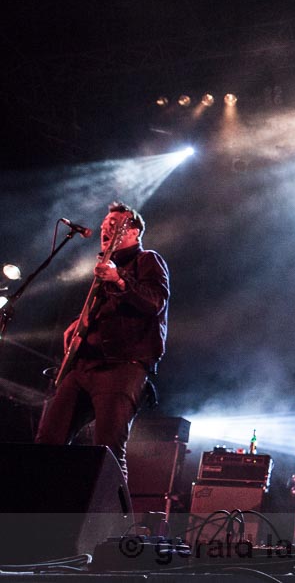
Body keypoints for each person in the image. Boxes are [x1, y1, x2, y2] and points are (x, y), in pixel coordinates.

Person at [36, 202, 170, 481]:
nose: (104, 228)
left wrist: (120, 279)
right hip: (84, 364)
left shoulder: (147, 260)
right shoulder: (104, 269)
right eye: (104, 224)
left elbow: (154, 302)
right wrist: (79, 323)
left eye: (114, 224)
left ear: (133, 231)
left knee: (108, 451)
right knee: (48, 442)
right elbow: (104, 310)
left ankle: (116, 524)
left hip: (121, 366)